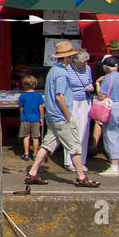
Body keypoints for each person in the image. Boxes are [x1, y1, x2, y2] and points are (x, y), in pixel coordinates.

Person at [26, 41, 97, 187]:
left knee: (47, 145)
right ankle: (81, 177)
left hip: (51, 115)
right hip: (61, 116)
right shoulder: (62, 74)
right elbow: (60, 96)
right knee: (75, 146)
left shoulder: (53, 70)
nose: (71, 58)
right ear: (66, 58)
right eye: (70, 56)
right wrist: (69, 116)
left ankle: (33, 172)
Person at [94, 55, 119, 176]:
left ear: (106, 67)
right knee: (117, 133)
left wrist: (98, 84)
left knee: (110, 134)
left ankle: (114, 165)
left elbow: (102, 95)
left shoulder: (108, 78)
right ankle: (116, 160)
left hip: (112, 107)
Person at [65, 49, 94, 170]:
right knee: (72, 130)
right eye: (83, 62)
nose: (85, 64)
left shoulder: (88, 69)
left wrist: (90, 87)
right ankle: (69, 161)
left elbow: (90, 81)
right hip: (73, 101)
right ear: (76, 62)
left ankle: (81, 161)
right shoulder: (67, 70)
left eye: (86, 62)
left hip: (85, 100)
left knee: (84, 130)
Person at [17, 74, 44, 162]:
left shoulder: (23, 96)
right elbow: (41, 107)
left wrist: (21, 116)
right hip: (35, 118)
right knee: (36, 138)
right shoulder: (38, 95)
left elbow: (21, 108)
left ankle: (26, 154)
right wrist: (41, 118)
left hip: (25, 118)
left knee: (26, 136)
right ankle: (35, 154)